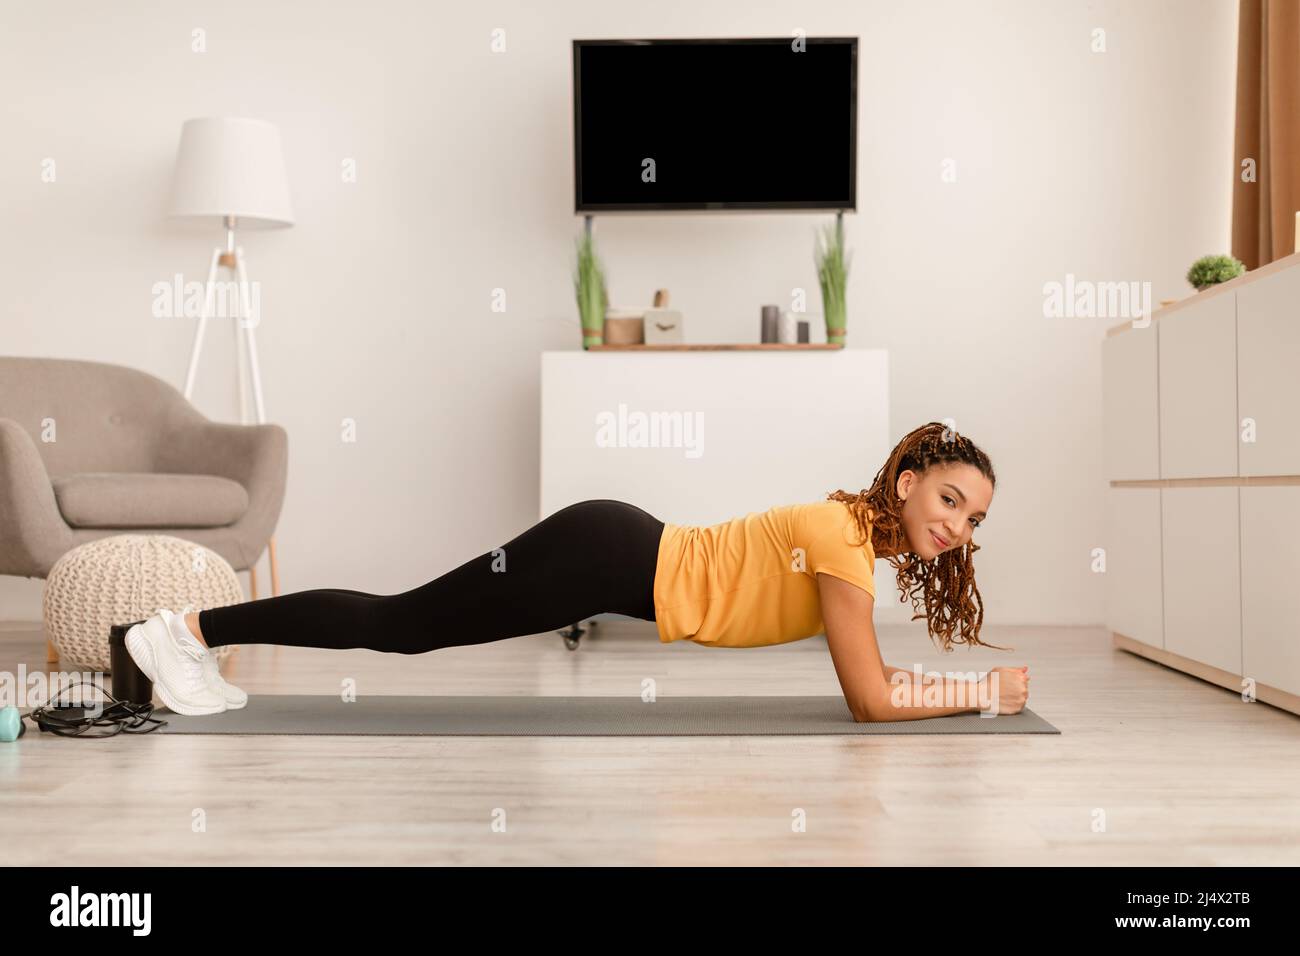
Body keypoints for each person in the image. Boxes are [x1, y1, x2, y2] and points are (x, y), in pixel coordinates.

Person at [125, 421, 1027, 720]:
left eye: (972, 516)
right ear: (907, 484)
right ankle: (182, 632)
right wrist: (982, 693)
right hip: (608, 554)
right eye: (948, 498)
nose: (956, 525)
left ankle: (191, 638)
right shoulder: (841, 543)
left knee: (402, 624)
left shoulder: (852, 544)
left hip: (615, 553)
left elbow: (867, 683)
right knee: (400, 626)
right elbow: (868, 700)